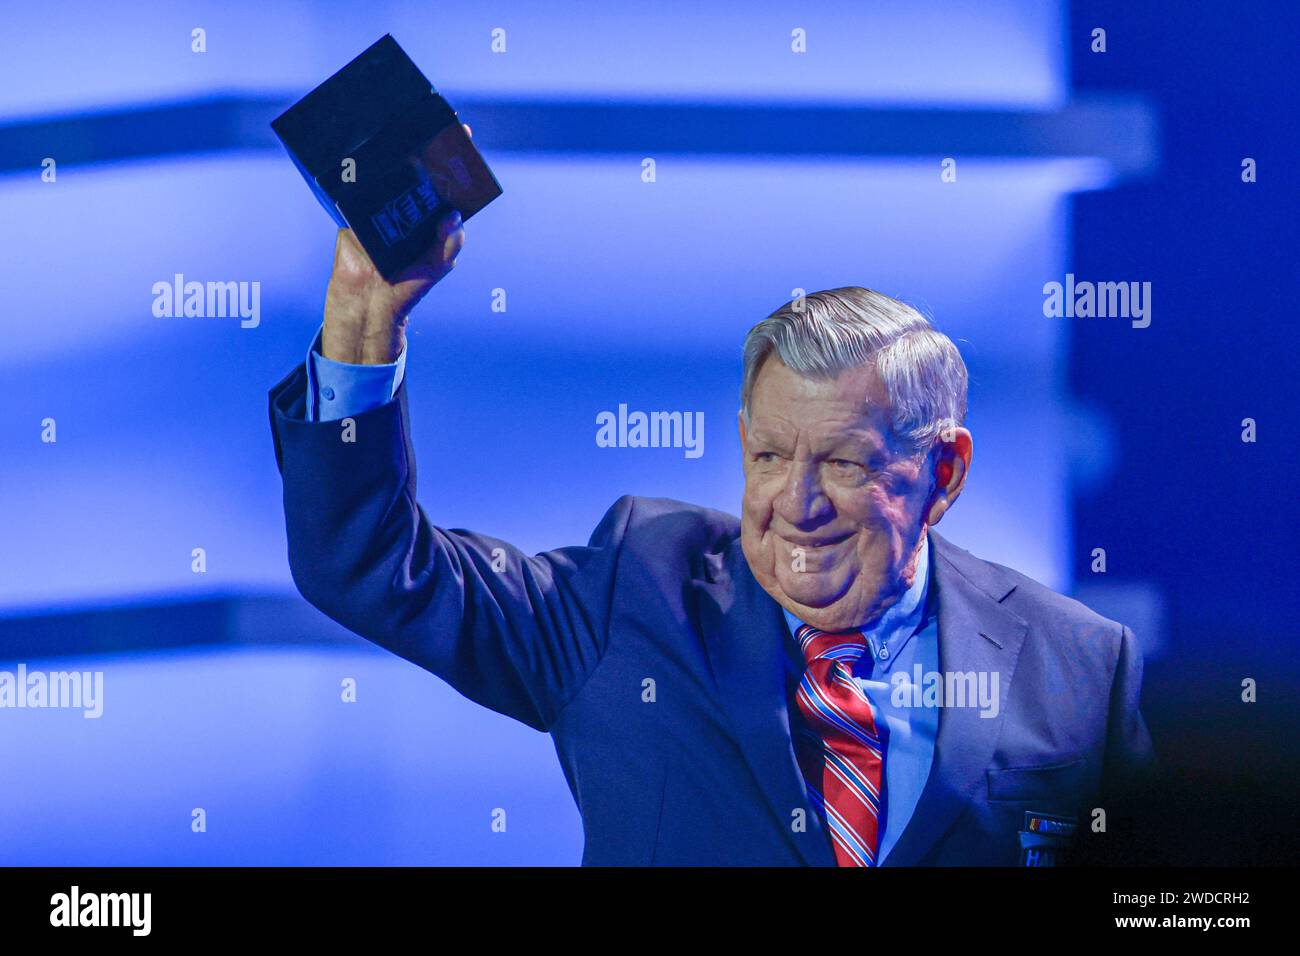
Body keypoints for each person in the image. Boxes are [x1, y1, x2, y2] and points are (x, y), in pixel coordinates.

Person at [267, 174, 1155, 866]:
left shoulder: (1076, 662)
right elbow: (372, 566)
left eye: (843, 464)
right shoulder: (630, 593)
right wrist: (363, 317)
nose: (796, 506)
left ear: (944, 472)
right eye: (769, 457)